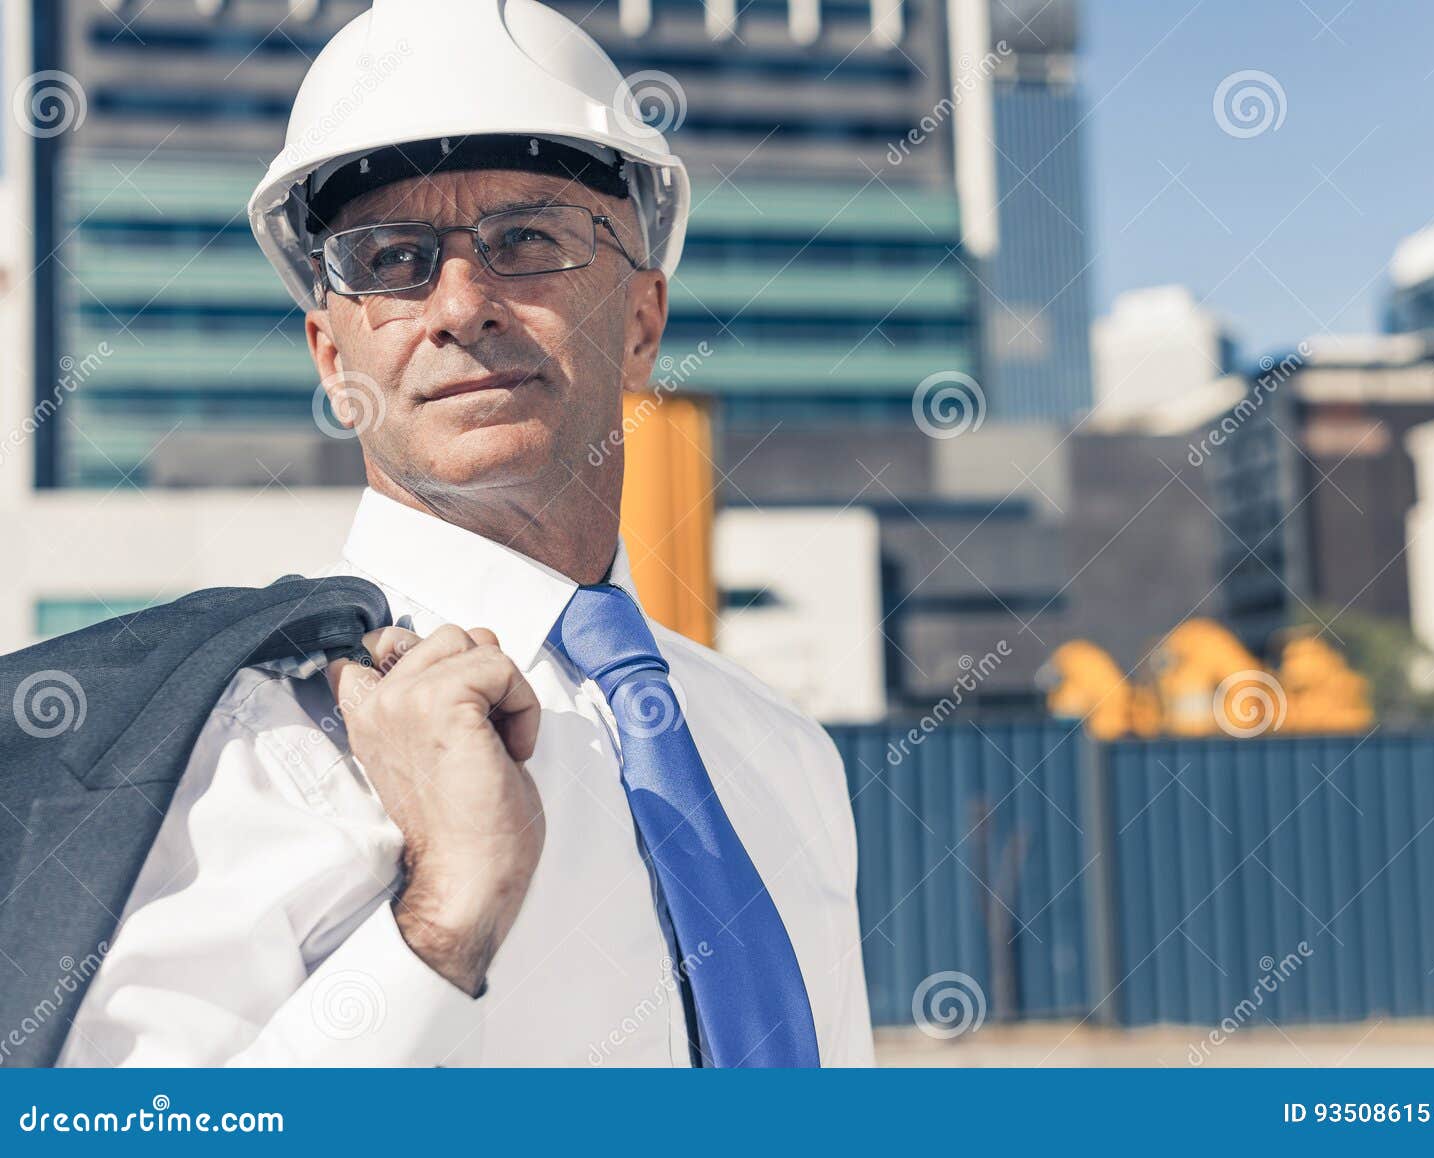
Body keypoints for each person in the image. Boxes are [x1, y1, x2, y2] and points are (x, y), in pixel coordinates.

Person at [57, 0, 873, 1067]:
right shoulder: (230, 759)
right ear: (332, 358)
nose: (460, 305)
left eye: (527, 240)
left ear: (642, 323)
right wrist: (439, 922)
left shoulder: (782, 756)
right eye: (390, 258)